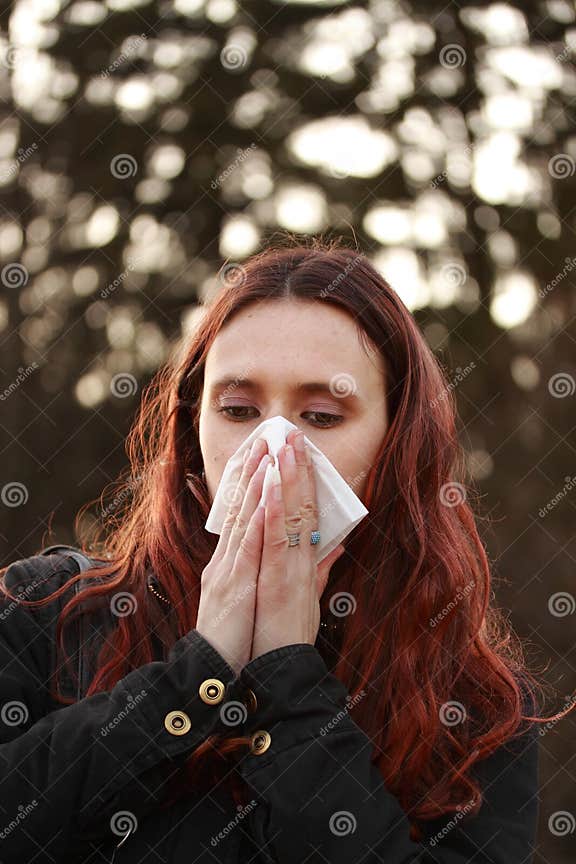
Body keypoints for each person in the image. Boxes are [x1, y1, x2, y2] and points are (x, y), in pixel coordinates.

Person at [1, 238, 573, 863]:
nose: (275, 449)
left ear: (397, 447)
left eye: (323, 416)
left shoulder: (474, 705)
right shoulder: (45, 612)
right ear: (195, 430)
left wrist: (289, 676)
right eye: (239, 409)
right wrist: (197, 674)